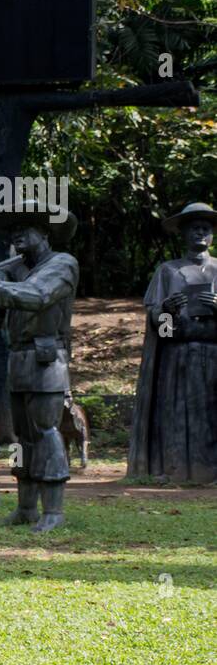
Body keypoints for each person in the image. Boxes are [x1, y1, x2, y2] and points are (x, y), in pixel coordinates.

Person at [0, 200, 79, 531]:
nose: (17, 235)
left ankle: (53, 511)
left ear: (44, 232)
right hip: (19, 360)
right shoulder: (15, 270)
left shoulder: (62, 264)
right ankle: (26, 507)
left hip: (46, 359)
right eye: (13, 230)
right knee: (20, 438)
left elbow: (37, 295)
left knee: (46, 431)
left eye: (24, 228)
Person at [127, 201, 217, 484]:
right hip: (176, 356)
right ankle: (175, 469)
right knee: (174, 414)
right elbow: (160, 330)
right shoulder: (168, 271)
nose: (199, 233)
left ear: (213, 234)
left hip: (213, 353)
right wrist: (166, 311)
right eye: (193, 229)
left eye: (205, 228)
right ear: (183, 234)